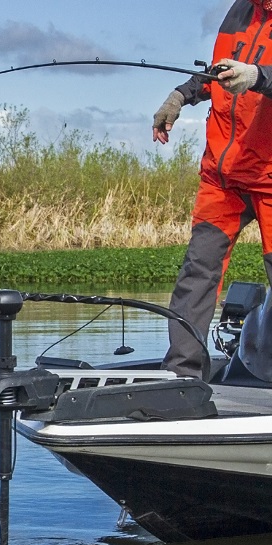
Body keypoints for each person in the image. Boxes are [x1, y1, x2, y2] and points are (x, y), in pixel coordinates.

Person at [152, 0, 272, 378]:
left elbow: (251, 74)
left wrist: (257, 76)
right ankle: (182, 376)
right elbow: (219, 71)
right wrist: (181, 95)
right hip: (223, 176)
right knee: (197, 272)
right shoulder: (239, 10)